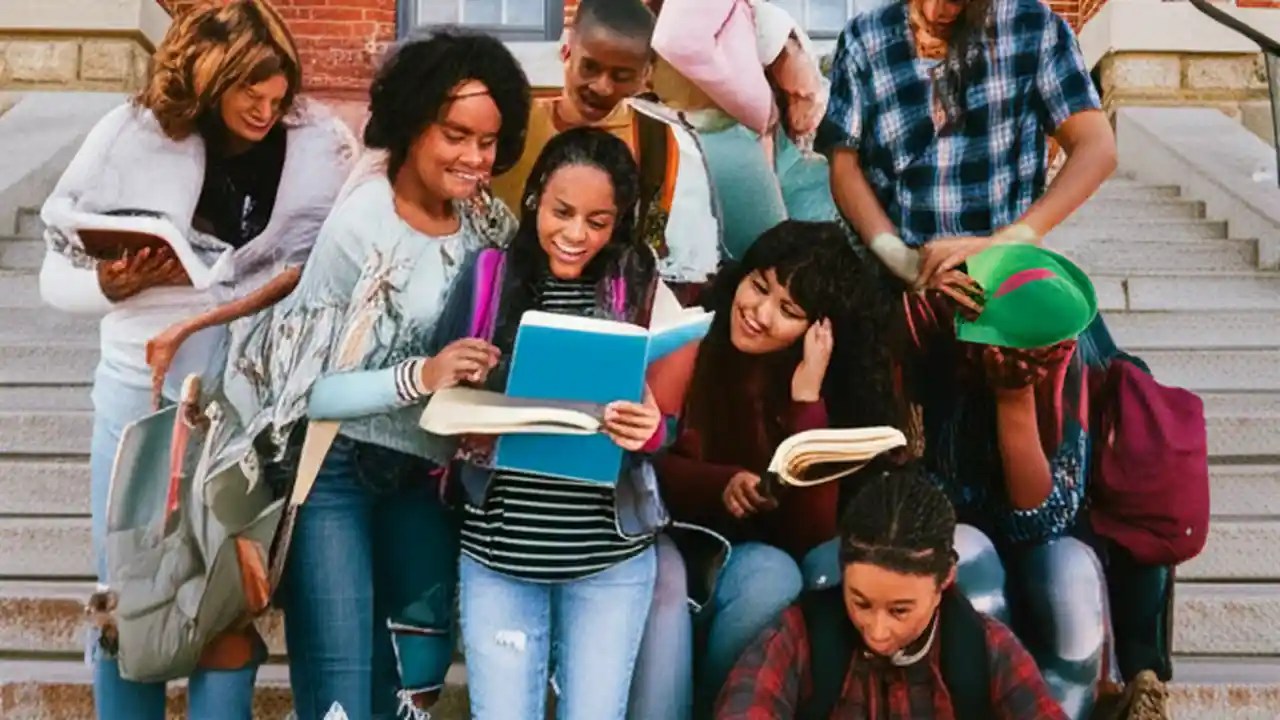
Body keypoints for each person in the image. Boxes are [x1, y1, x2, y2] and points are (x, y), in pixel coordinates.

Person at [36, 2, 355, 717]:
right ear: (209, 77)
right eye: (249, 94)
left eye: (277, 97)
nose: (266, 112)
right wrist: (109, 283)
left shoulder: (315, 143)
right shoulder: (131, 136)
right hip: (140, 397)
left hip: (249, 403)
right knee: (132, 596)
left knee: (229, 595)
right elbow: (52, 277)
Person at [212, 29, 529, 720]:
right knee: (342, 690)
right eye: (456, 135)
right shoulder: (361, 223)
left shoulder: (486, 222)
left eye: (488, 141)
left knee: (410, 688)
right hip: (336, 471)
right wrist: (422, 374)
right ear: (412, 124)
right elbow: (307, 392)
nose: (476, 158)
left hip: (426, 476)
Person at [429, 128, 665, 720]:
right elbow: (436, 403)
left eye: (598, 221)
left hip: (608, 557)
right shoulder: (490, 274)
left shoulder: (637, 280)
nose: (576, 234)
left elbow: (672, 422)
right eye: (562, 212)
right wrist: (464, 379)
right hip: (500, 554)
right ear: (534, 198)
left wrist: (651, 427)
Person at [631, 221, 907, 718]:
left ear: (819, 331)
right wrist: (721, 485)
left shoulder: (824, 386)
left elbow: (811, 538)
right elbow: (646, 464)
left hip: (754, 570)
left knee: (776, 574)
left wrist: (806, 401)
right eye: (759, 287)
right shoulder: (696, 339)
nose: (759, 314)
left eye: (788, 311)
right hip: (671, 543)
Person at [899, 271, 1106, 720]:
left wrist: (1015, 398)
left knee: (1071, 572)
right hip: (954, 539)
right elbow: (923, 496)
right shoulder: (927, 346)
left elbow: (1045, 520)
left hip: (1043, 545)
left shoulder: (1063, 357)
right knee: (967, 556)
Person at [715, 466, 1068, 719]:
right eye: (861, 603)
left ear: (945, 580)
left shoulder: (986, 649)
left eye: (900, 610)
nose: (877, 631)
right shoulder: (798, 637)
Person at [818, 0, 1117, 286]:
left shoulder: (1034, 28)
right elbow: (844, 166)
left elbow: (1096, 147)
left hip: (1005, 279)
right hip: (896, 283)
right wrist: (902, 260)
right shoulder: (865, 39)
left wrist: (1011, 240)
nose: (933, 11)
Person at [650, 0, 840, 260]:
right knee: (770, 258)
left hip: (738, 130)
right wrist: (757, 108)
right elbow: (677, 42)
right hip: (719, 129)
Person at [488, 0, 655, 211]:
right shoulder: (514, 121)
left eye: (621, 77)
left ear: (644, 75)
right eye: (590, 68)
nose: (602, 88)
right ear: (567, 51)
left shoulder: (654, 140)